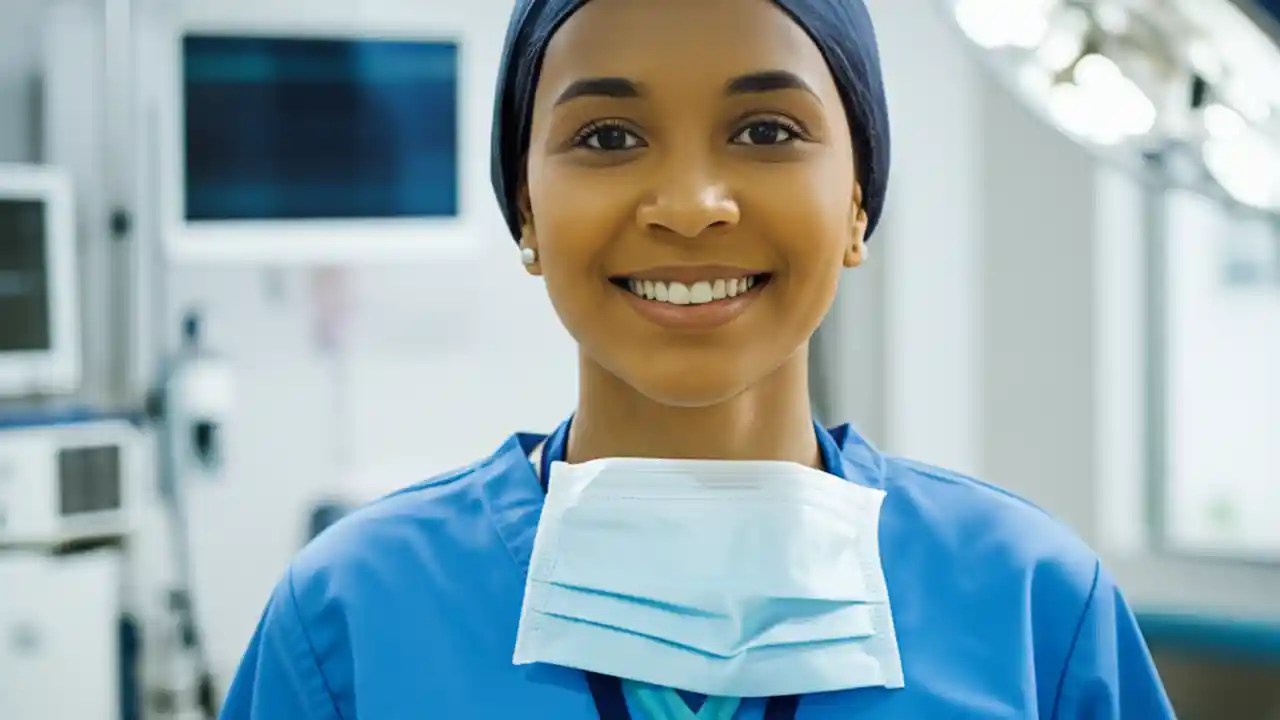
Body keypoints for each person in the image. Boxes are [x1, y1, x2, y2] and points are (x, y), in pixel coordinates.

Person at [218, 0, 1176, 717]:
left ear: (857, 202)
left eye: (766, 131)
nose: (689, 205)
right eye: (608, 136)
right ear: (525, 208)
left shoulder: (1031, 612)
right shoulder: (354, 620)